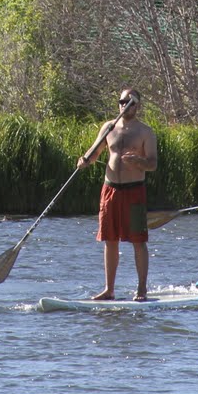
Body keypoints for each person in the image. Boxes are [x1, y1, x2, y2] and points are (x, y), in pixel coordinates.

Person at [77, 88, 158, 301]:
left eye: (130, 102)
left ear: (137, 106)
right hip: (110, 189)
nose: (125, 105)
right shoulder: (109, 127)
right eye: (122, 102)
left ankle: (141, 289)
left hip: (134, 191)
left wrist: (138, 161)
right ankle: (109, 289)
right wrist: (85, 160)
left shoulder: (145, 132)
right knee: (109, 239)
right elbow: (94, 153)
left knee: (138, 241)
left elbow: (152, 164)